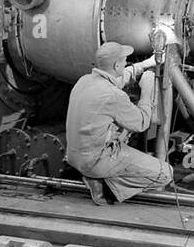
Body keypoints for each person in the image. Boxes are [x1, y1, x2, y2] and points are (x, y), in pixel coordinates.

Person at [65, 41, 173, 205]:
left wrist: (145, 65)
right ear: (116, 65)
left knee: (119, 129)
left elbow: (119, 79)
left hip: (74, 157)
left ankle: (96, 176)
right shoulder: (113, 96)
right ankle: (103, 183)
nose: (126, 63)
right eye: (124, 61)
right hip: (95, 161)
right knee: (165, 173)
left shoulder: (84, 81)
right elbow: (142, 122)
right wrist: (147, 89)